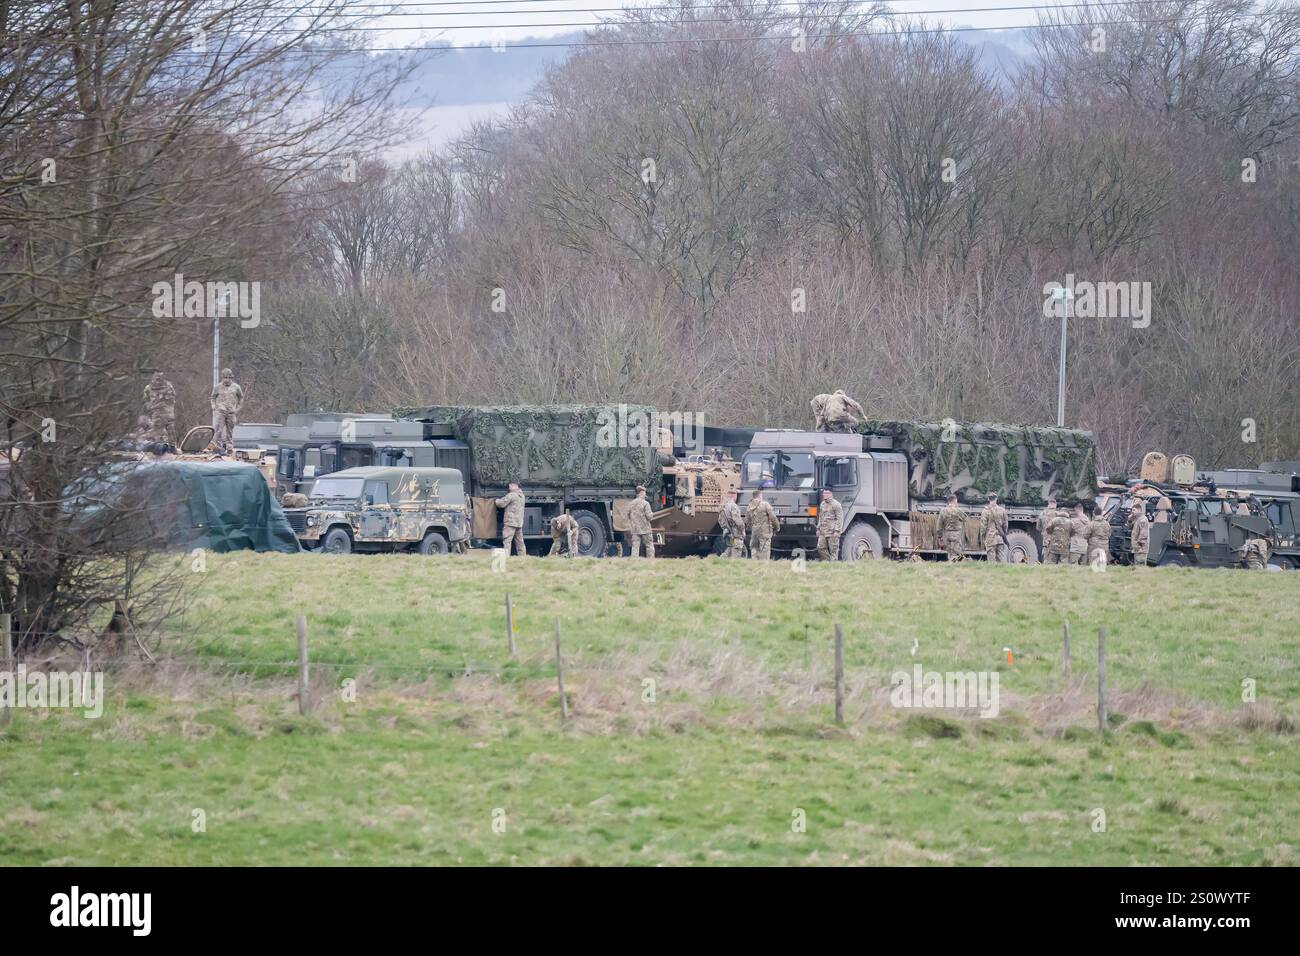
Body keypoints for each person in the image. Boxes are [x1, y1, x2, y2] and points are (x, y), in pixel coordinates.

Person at [210, 367, 244, 454]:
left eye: (229, 378)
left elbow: (241, 398)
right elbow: (213, 397)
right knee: (218, 430)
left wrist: (238, 408)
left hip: (231, 412)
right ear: (222, 378)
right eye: (225, 377)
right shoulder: (217, 387)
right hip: (220, 411)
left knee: (230, 430)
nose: (227, 380)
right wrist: (213, 406)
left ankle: (229, 447)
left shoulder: (236, 387)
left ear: (231, 378)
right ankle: (217, 447)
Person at [143, 372, 177, 445]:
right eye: (156, 378)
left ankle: (172, 447)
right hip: (156, 414)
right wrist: (151, 407)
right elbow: (146, 401)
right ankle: (158, 449)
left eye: (159, 378)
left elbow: (171, 400)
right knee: (157, 433)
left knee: (171, 432)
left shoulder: (168, 386)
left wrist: (161, 405)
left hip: (168, 414)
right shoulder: (148, 388)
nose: (157, 380)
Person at [746, 490, 781, 560]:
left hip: (754, 533)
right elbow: (773, 517)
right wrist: (777, 527)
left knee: (754, 549)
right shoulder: (765, 504)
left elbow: (747, 522)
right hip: (764, 532)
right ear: (760, 496)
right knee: (765, 551)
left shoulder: (749, 506)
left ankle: (754, 565)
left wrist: (751, 528)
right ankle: (764, 566)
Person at [495, 481, 526, 557]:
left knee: (507, 541)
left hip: (510, 522)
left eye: (510, 486)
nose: (509, 487)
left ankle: (506, 557)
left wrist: (495, 501)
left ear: (515, 486)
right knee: (520, 542)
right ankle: (523, 558)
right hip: (519, 522)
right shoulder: (522, 496)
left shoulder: (511, 495)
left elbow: (501, 504)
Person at [627, 485, 655, 558]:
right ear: (642, 492)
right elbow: (649, 517)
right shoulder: (646, 503)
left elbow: (628, 515)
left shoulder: (631, 503)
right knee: (649, 545)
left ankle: (634, 561)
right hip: (645, 529)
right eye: (645, 492)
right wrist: (652, 514)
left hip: (635, 529)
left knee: (635, 546)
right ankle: (650, 561)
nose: (645, 494)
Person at [979, 492, 1008, 563]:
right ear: (996, 499)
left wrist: (983, 537)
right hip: (1000, 538)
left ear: (988, 499)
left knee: (991, 561)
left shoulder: (985, 511)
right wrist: (1003, 533)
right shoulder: (1002, 510)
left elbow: (983, 527)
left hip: (990, 538)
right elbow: (1005, 525)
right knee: (1001, 561)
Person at [816, 489, 843, 561]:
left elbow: (839, 518)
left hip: (832, 532)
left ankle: (833, 565)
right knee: (820, 547)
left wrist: (837, 531)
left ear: (831, 494)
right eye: (824, 493)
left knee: (833, 550)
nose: (825, 494)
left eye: (827, 493)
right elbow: (821, 517)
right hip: (823, 531)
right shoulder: (822, 504)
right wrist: (818, 528)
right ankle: (828, 561)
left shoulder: (836, 505)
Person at [718, 490, 746, 559]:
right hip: (736, 533)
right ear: (734, 496)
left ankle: (720, 561)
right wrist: (743, 530)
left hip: (727, 532)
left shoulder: (722, 506)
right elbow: (737, 520)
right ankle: (733, 565)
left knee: (730, 549)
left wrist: (725, 528)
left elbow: (720, 520)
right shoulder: (733, 506)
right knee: (736, 552)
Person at [938, 494, 965, 561]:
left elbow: (939, 525)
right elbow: (964, 519)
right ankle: (955, 565)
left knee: (950, 552)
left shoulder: (943, 511)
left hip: (947, 534)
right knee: (957, 553)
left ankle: (951, 564)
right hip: (956, 534)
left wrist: (940, 537)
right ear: (955, 501)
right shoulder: (959, 511)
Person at [1129, 503, 1150, 567]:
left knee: (1140, 566)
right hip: (1137, 548)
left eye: (1134, 510)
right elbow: (1130, 527)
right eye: (1132, 510)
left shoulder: (1142, 519)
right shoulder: (1137, 519)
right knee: (1137, 564)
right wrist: (1130, 519)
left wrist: (1139, 546)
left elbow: (1143, 534)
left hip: (1141, 548)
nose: (1132, 512)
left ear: (1139, 510)